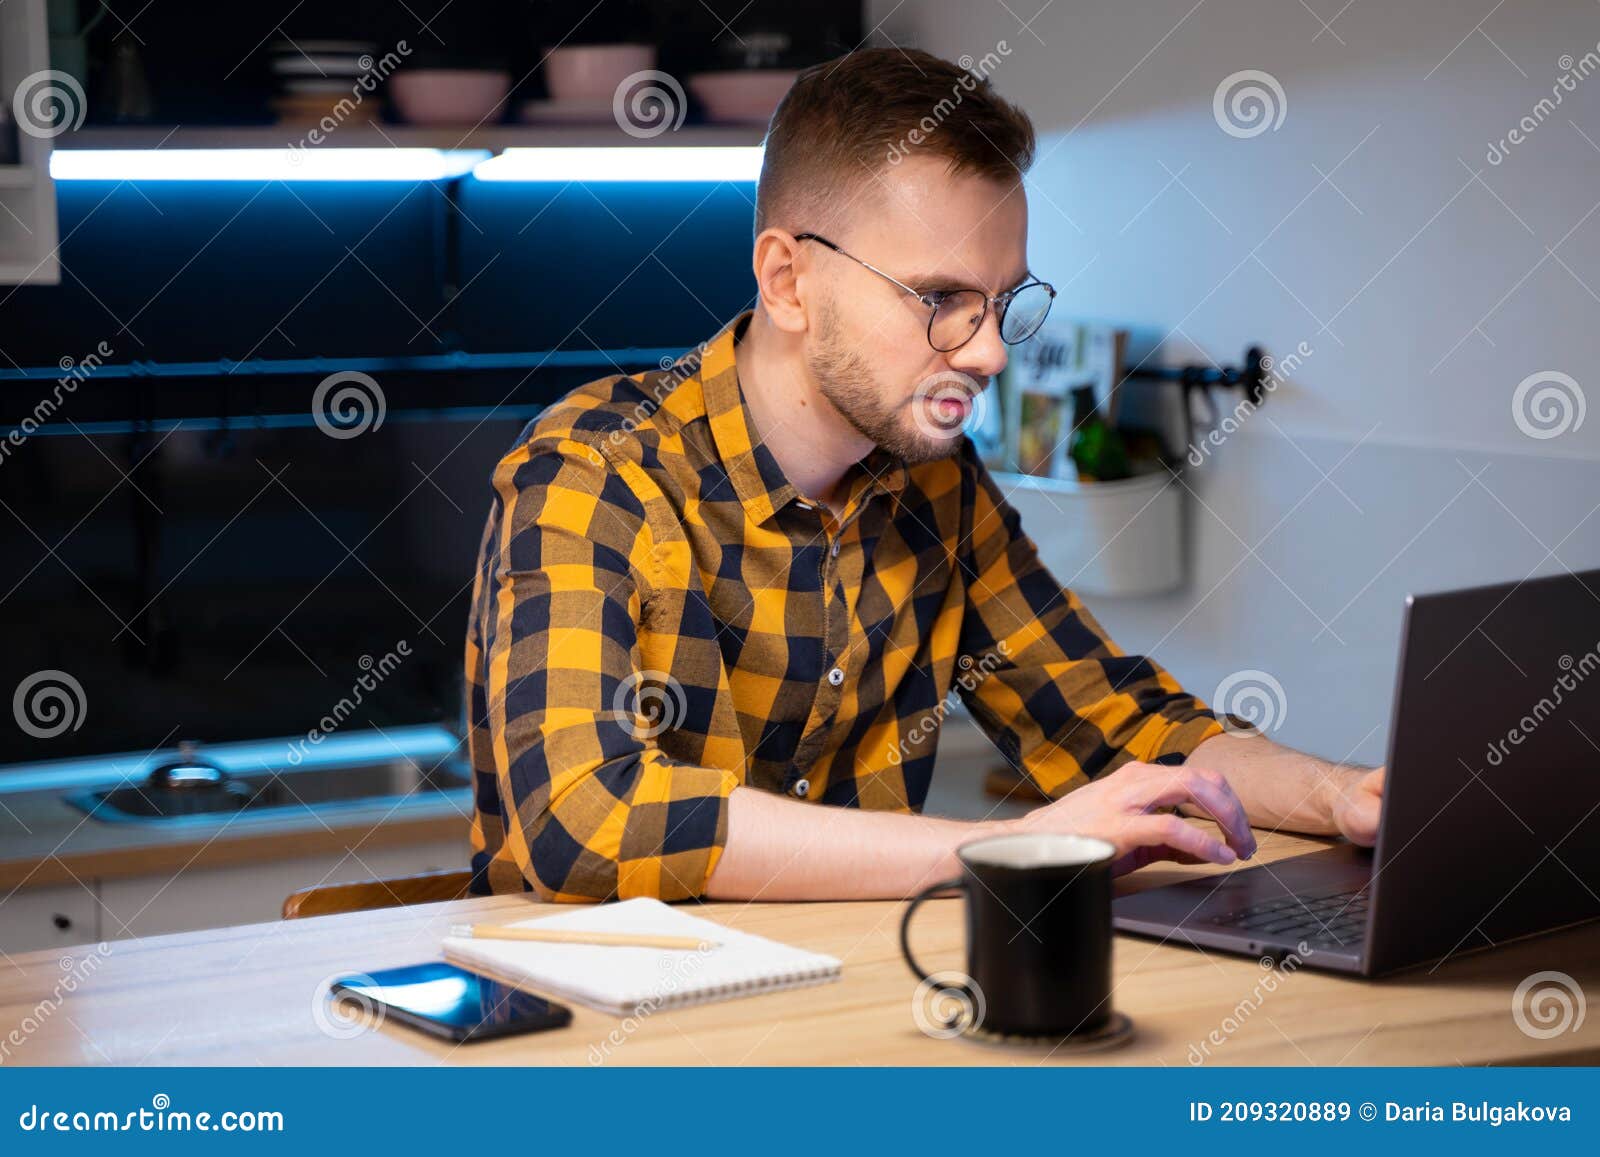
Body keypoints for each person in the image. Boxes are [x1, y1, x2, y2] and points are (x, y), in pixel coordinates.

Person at [464, 47, 1383, 903]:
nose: (987, 352)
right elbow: (581, 816)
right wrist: (992, 851)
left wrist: (1345, 797)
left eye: (1003, 303)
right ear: (787, 281)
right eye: (940, 300)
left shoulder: (937, 486)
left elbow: (1121, 724)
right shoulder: (594, 471)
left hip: (846, 1011)